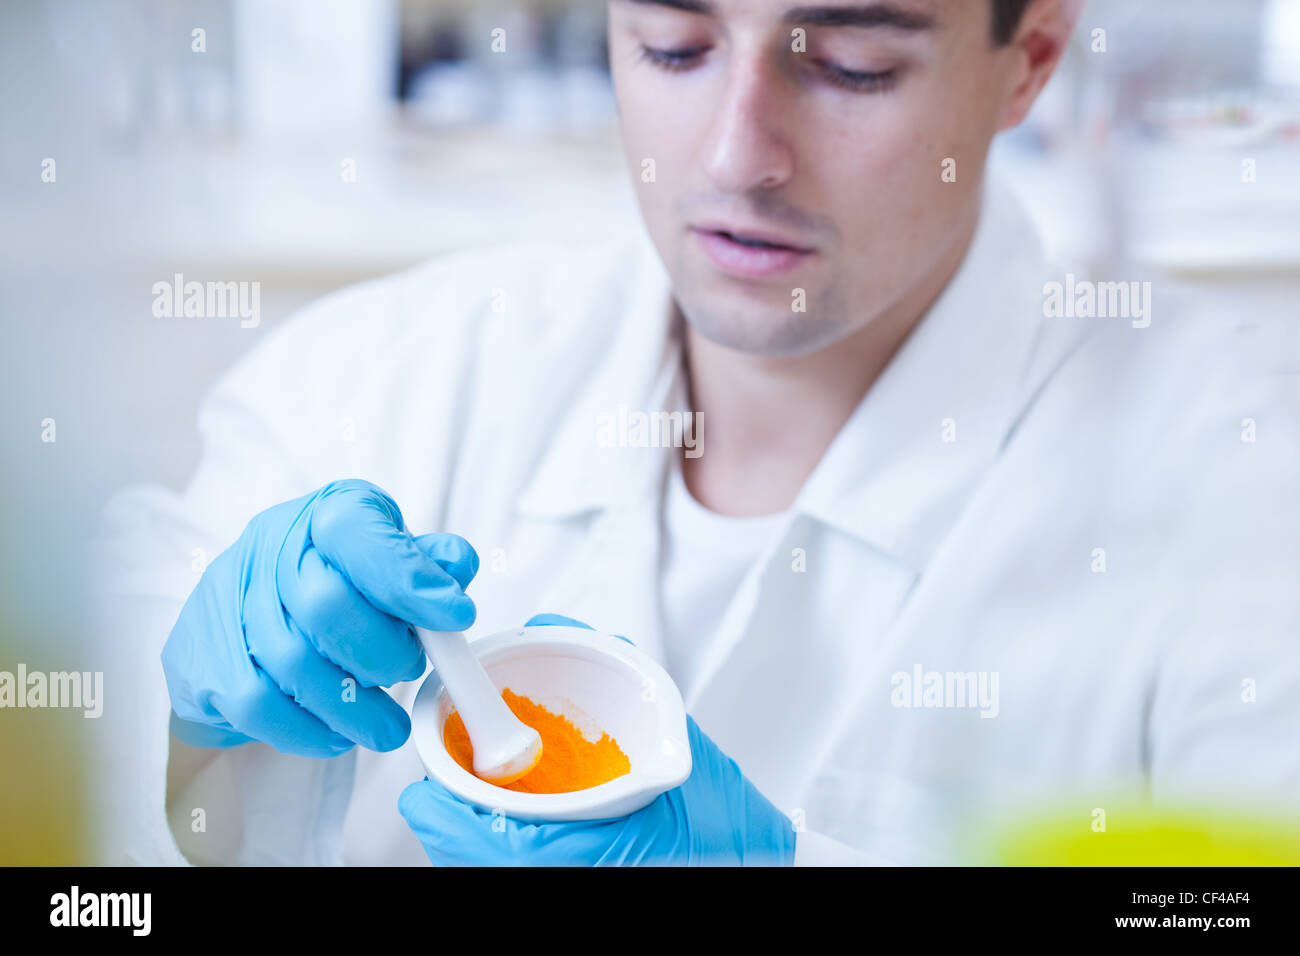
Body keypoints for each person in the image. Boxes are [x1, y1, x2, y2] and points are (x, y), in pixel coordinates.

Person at [94, 0, 1299, 866]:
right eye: (672, 44)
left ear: (1027, 58)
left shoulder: (1247, 476)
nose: (736, 156)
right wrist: (187, 736)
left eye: (851, 63)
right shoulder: (378, 376)